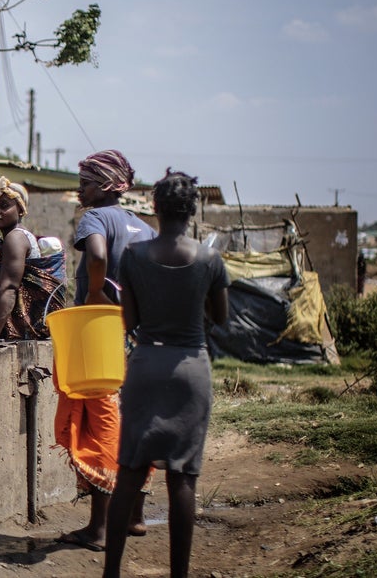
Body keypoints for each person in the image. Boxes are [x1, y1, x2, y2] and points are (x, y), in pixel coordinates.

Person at [104, 171, 229, 578]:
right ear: (192, 210)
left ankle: (110, 573)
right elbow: (220, 318)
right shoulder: (210, 260)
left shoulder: (134, 256)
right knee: (182, 477)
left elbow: (130, 321)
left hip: (146, 365)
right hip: (191, 367)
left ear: (154, 207)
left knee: (130, 471)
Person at [56, 150, 155, 551]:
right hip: (137, 337)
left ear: (107, 185)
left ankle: (98, 528)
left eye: (86, 183)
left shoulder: (95, 218)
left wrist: (96, 291)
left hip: (100, 334)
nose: (80, 191)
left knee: (100, 424)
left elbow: (96, 254)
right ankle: (135, 516)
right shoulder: (144, 227)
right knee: (133, 421)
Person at [0, 177, 67, 341]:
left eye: (4, 206)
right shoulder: (17, 236)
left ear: (20, 210)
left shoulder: (15, 238)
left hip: (22, 331)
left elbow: (9, 288)